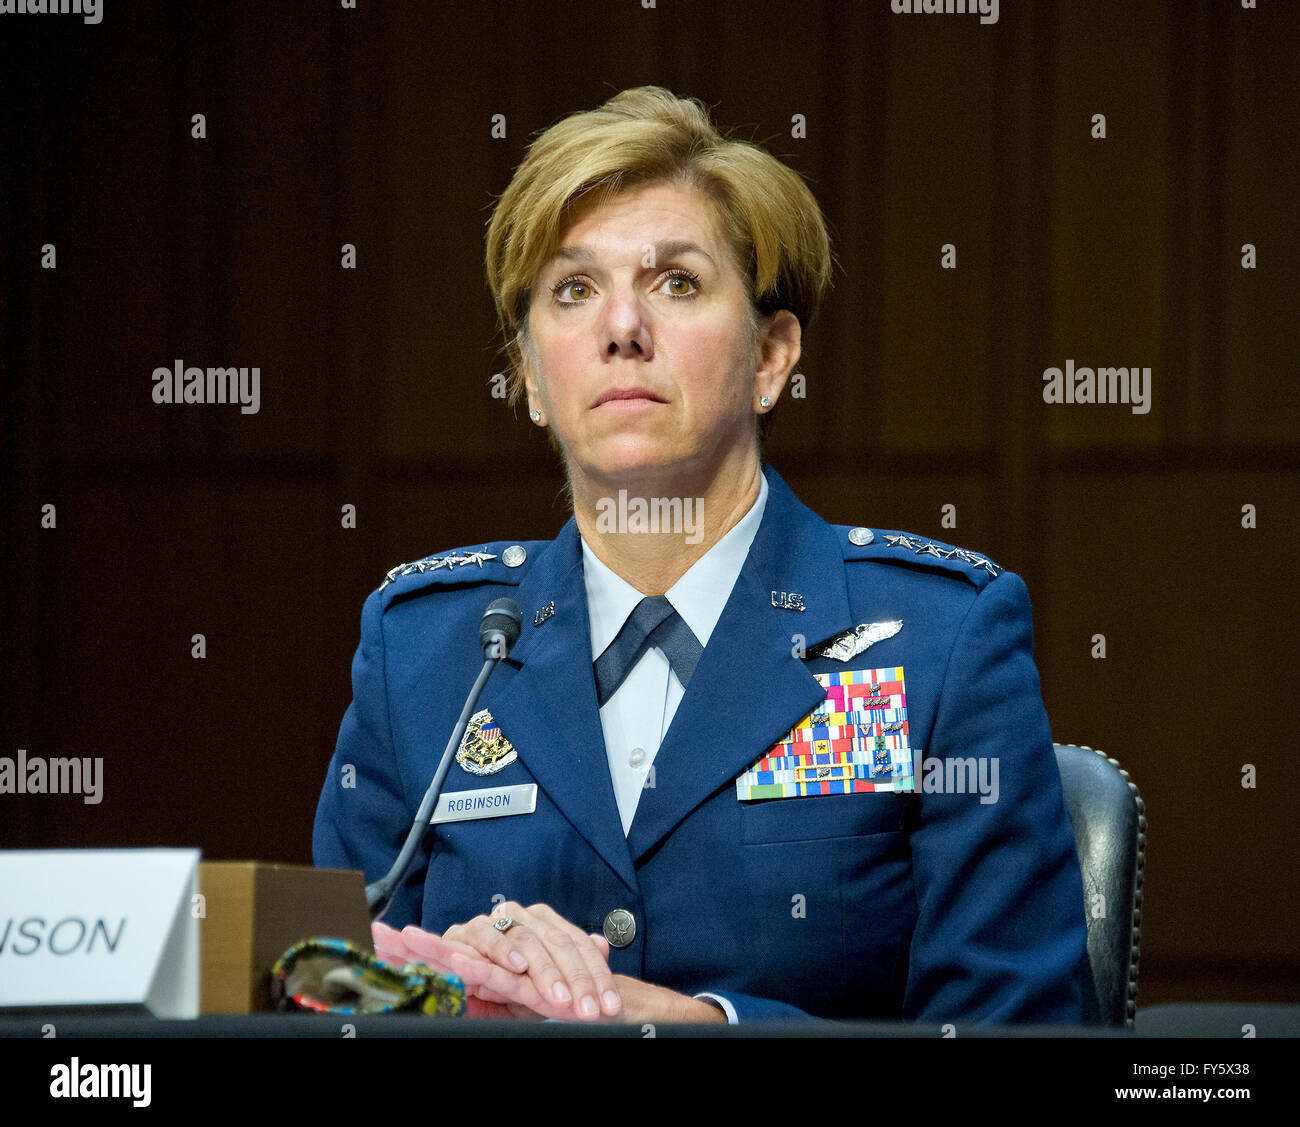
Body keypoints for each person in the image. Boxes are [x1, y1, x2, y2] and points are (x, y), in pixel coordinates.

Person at [312, 85, 1095, 1025]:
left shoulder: (938, 641)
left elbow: (1027, 1026)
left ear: (771, 356)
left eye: (676, 282)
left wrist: (706, 1026)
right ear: (528, 375)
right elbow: (320, 991)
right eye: (574, 289)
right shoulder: (425, 652)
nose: (622, 328)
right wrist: (443, 986)